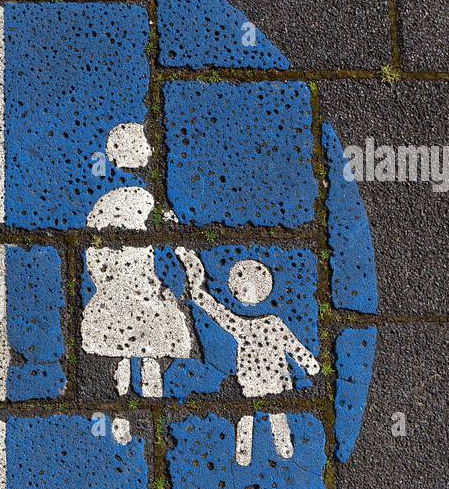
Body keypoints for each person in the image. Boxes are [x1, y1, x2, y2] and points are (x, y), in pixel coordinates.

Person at [174, 246, 320, 466]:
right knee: (268, 411)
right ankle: (275, 447)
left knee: (256, 413)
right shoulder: (268, 323)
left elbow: (291, 344)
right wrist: (309, 364)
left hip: (256, 377)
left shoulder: (248, 325)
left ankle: (250, 451)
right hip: (269, 376)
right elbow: (293, 345)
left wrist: (309, 363)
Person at [82, 185, 193, 396]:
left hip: (144, 304)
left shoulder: (134, 247)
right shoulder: (126, 250)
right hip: (131, 305)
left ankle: (132, 402)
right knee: (133, 361)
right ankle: (128, 403)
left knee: (145, 360)